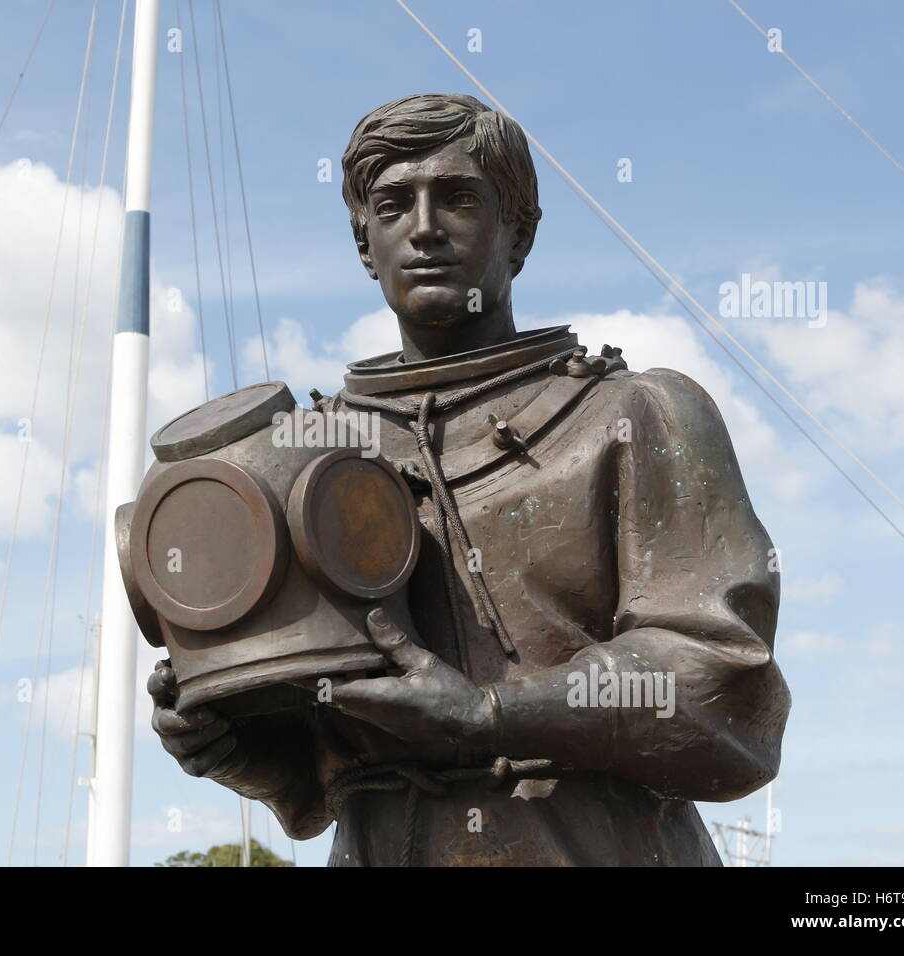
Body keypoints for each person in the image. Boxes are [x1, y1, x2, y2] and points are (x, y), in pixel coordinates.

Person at [148, 93, 791, 866]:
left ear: (518, 232)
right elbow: (318, 778)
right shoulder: (304, 460)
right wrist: (229, 743)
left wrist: (494, 714)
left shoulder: (634, 414)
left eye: (456, 197)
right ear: (365, 244)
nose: (423, 227)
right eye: (392, 206)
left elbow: (725, 687)